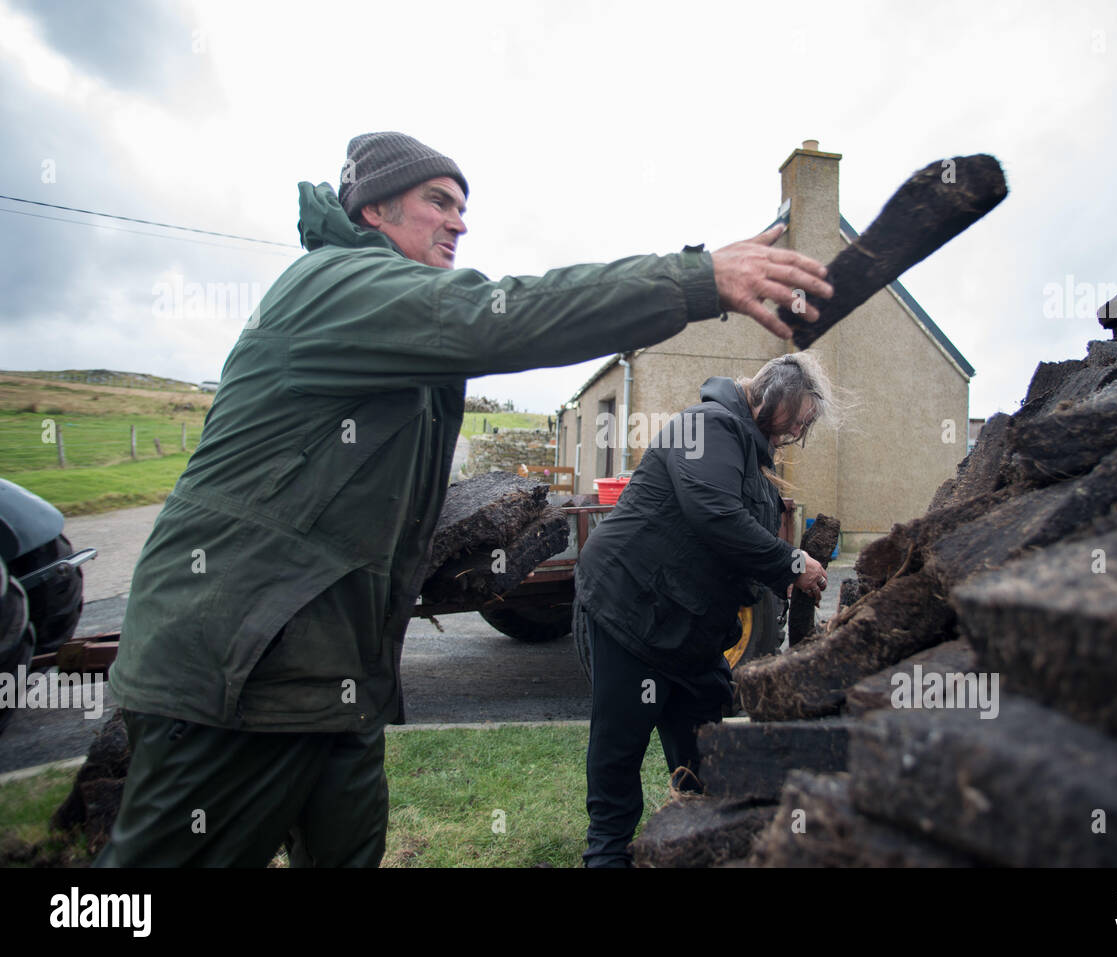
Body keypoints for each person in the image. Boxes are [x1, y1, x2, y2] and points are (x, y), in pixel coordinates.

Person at [96, 132, 833, 867]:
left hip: (330, 676)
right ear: (373, 208)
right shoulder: (334, 285)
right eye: (438, 202)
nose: (460, 222)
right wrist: (694, 279)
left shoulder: (397, 332)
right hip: (237, 666)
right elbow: (504, 313)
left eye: (464, 206)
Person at [574, 351, 833, 868]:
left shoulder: (751, 453)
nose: (799, 433)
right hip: (632, 607)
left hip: (691, 628)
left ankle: (694, 840)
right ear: (774, 398)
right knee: (620, 744)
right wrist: (788, 561)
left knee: (702, 744)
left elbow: (737, 538)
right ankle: (607, 854)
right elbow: (714, 513)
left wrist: (782, 576)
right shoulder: (708, 425)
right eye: (799, 420)